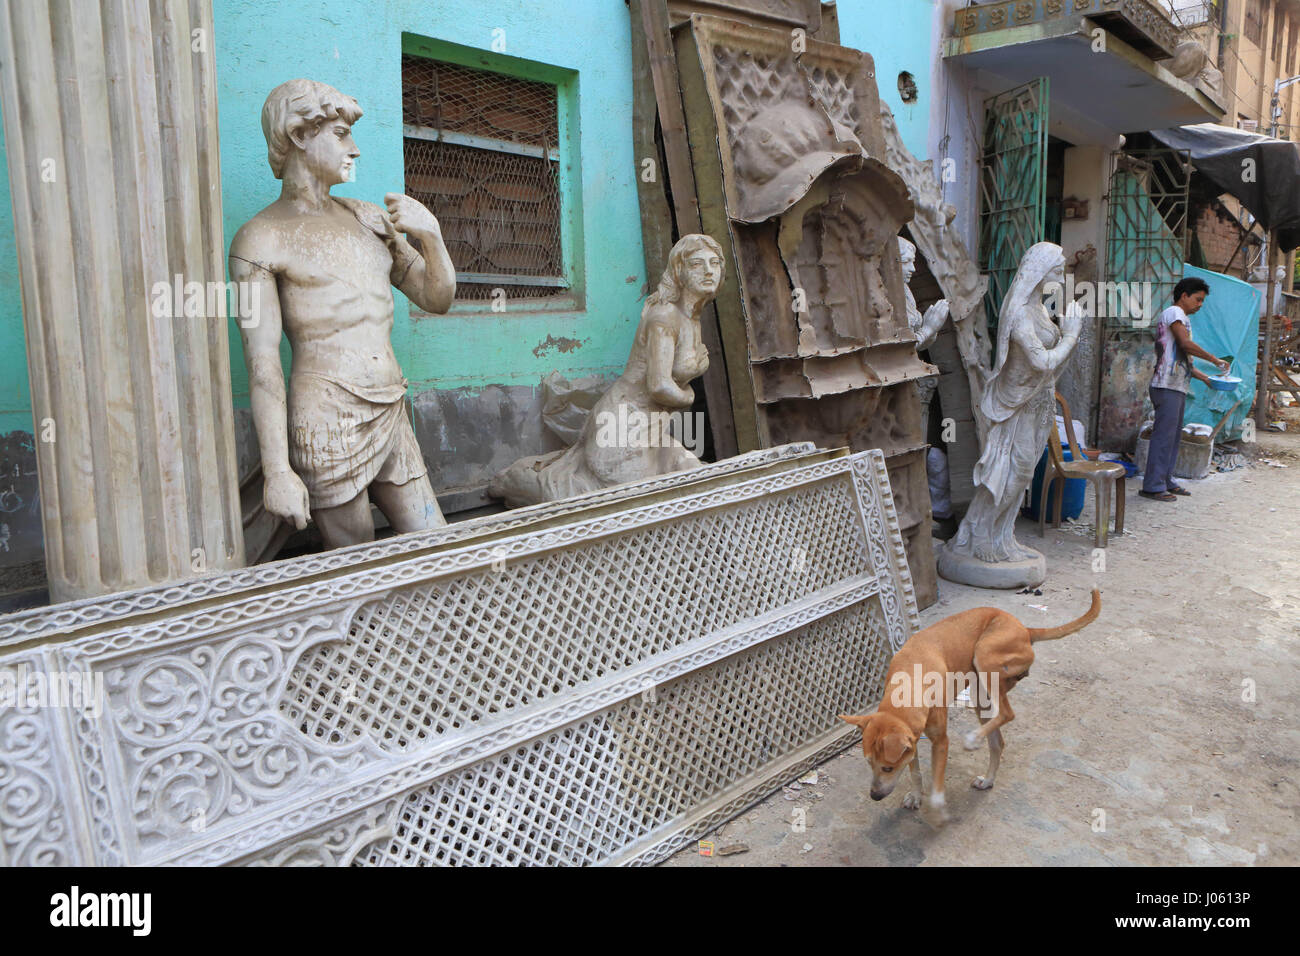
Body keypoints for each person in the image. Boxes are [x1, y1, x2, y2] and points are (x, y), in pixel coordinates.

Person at [229, 79, 457, 548]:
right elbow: (264, 363)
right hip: (325, 419)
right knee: (355, 567)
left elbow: (437, 298)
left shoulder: (369, 219)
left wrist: (431, 236)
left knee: (436, 545)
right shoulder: (261, 239)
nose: (354, 149)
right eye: (339, 135)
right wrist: (277, 471)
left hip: (391, 406)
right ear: (298, 136)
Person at [1139, 277, 1229, 502]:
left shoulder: (1181, 318)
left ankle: (1166, 480)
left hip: (1175, 386)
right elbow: (1185, 345)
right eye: (1197, 299)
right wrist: (1214, 359)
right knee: (1163, 437)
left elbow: (1183, 361)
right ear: (1184, 295)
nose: (1200, 304)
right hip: (1166, 385)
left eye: (1202, 301)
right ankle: (1153, 485)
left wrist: (1207, 379)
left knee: (1171, 438)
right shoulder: (1174, 313)